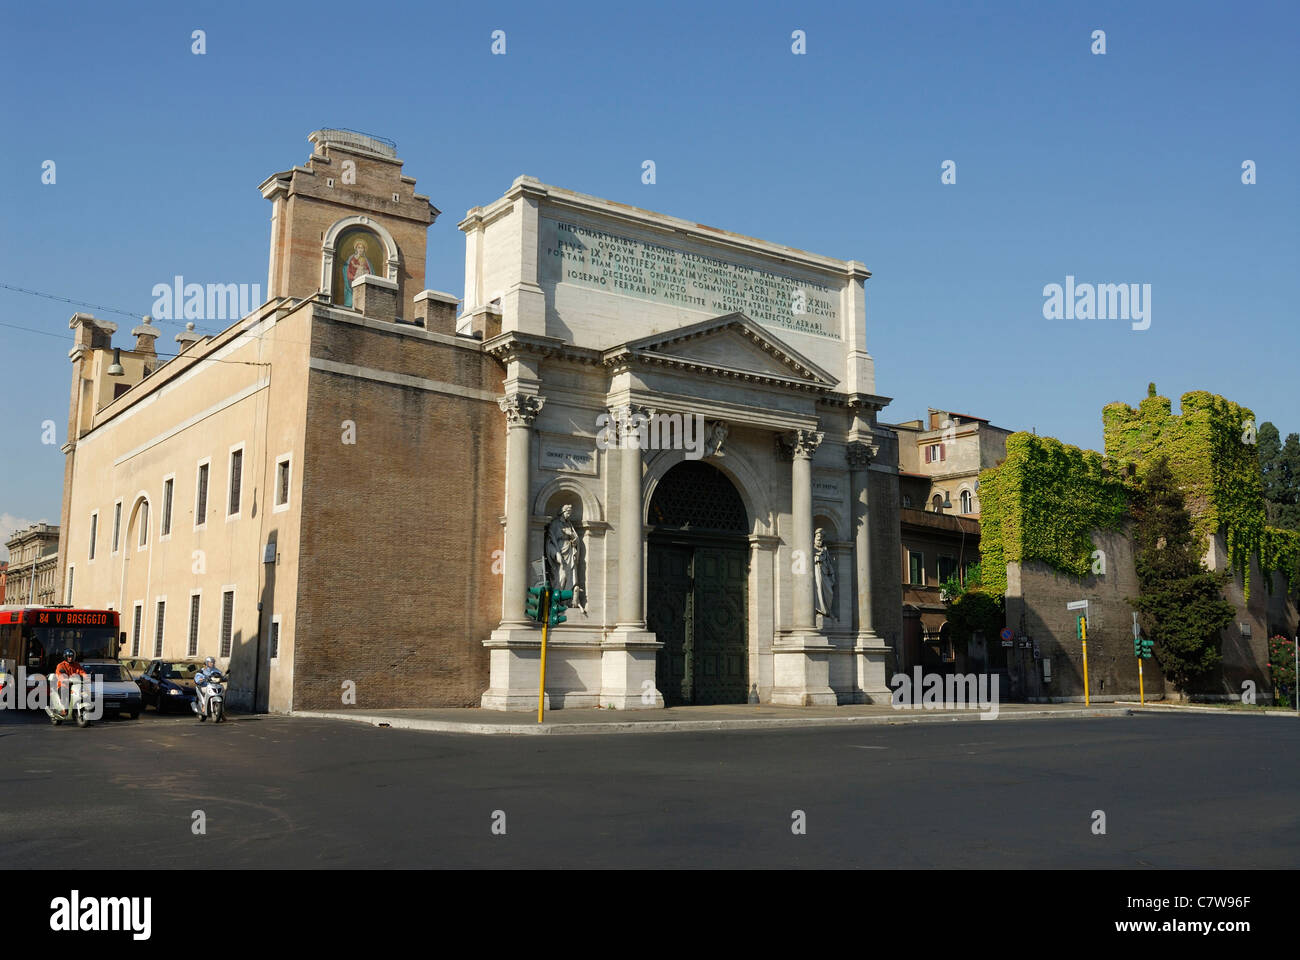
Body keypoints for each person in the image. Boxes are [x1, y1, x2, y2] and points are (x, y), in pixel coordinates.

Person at [54, 649, 87, 716]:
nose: (70, 658)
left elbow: (81, 672)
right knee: (64, 692)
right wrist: (64, 679)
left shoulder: (76, 665)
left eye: (71, 656)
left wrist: (87, 678)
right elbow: (59, 674)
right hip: (64, 685)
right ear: (65, 657)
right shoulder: (61, 665)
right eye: (69, 656)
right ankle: (63, 709)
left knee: (83, 692)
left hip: (74, 685)